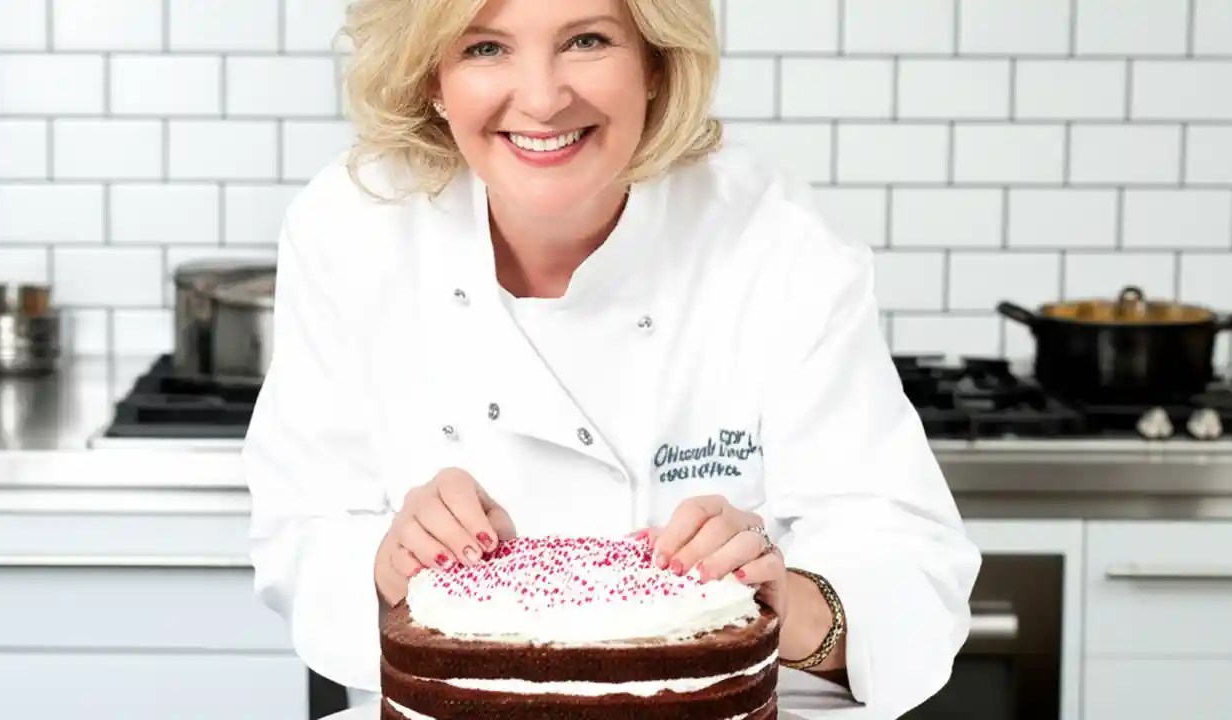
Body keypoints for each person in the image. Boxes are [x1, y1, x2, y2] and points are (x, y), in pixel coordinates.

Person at [242, 0, 981, 717]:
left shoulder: (770, 235)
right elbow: (300, 532)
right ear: (430, 78)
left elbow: (908, 563)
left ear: (656, 63)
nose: (541, 98)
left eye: (587, 41)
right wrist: (387, 563)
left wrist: (783, 599)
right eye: (483, 47)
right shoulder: (353, 225)